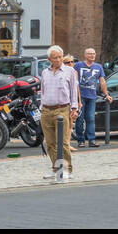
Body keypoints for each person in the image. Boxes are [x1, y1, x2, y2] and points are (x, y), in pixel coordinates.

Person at [39, 46, 79, 182]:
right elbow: (42, 91)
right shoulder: (45, 72)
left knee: (62, 142)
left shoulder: (69, 71)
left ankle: (67, 169)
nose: (58, 60)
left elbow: (73, 91)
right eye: (55, 57)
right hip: (46, 110)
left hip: (62, 108)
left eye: (60, 57)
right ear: (49, 59)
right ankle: (55, 168)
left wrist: (74, 109)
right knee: (50, 143)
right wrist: (41, 107)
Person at [73, 48, 111, 148]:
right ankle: (80, 140)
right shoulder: (78, 65)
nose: (92, 55)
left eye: (94, 54)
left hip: (92, 97)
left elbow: (102, 81)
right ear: (85, 55)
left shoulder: (98, 67)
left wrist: (106, 94)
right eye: (90, 54)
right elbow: (74, 81)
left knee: (91, 118)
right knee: (80, 119)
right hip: (80, 97)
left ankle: (91, 140)